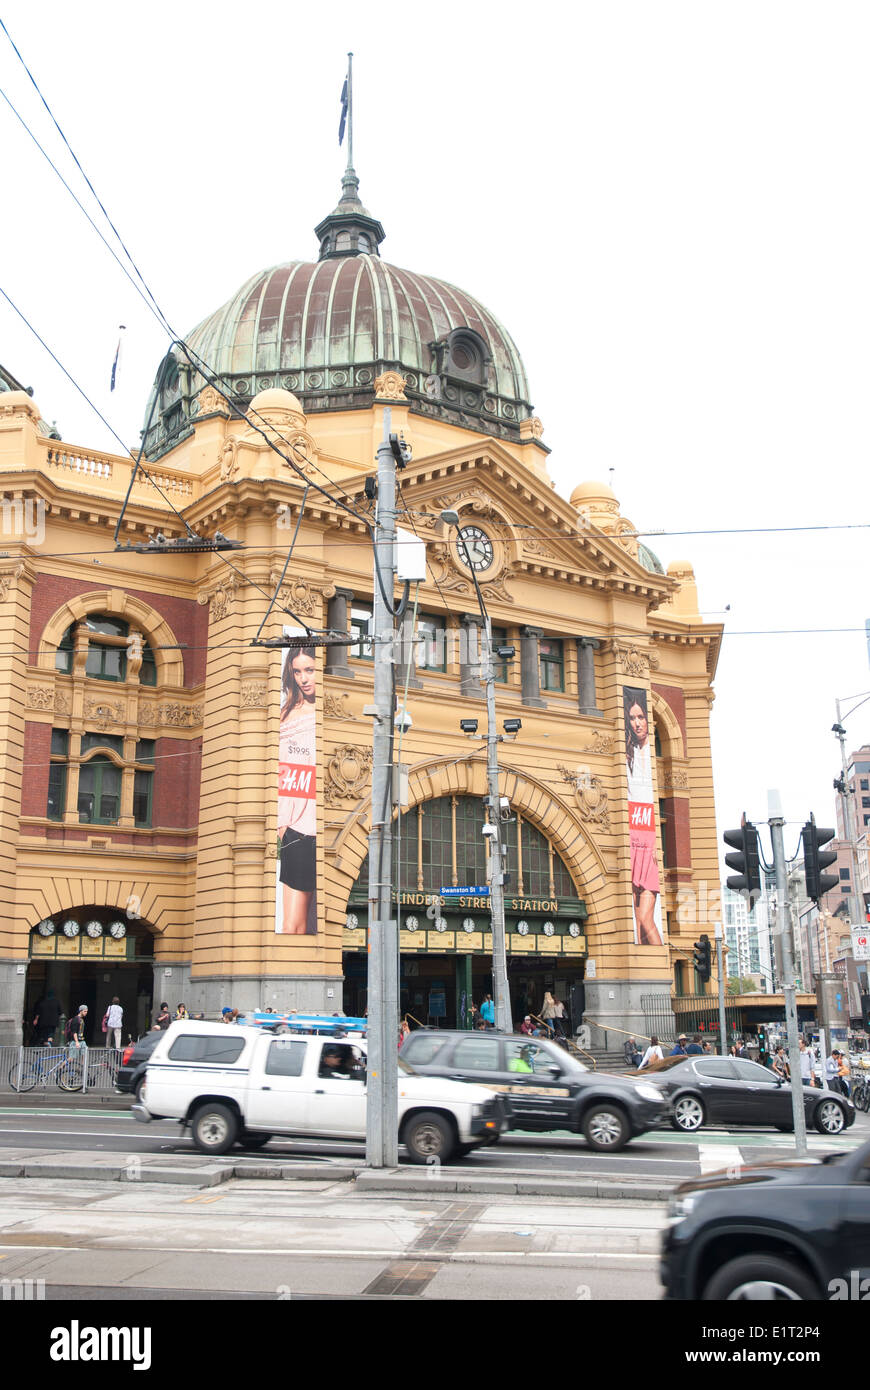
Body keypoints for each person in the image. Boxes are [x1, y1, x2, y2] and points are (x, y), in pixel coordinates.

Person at [277, 647, 317, 935]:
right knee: (293, 926)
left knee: (303, 924)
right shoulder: (287, 715)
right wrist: (282, 825)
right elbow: (283, 773)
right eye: (297, 671)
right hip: (298, 830)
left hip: (317, 828)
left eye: (310, 670)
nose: (303, 678)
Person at [624, 688, 663, 947]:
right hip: (632, 845)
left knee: (646, 919)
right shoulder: (629, 752)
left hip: (647, 851)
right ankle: (645, 958)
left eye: (641, 716)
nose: (638, 722)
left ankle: (659, 960)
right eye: (632, 718)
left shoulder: (648, 751)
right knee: (636, 921)